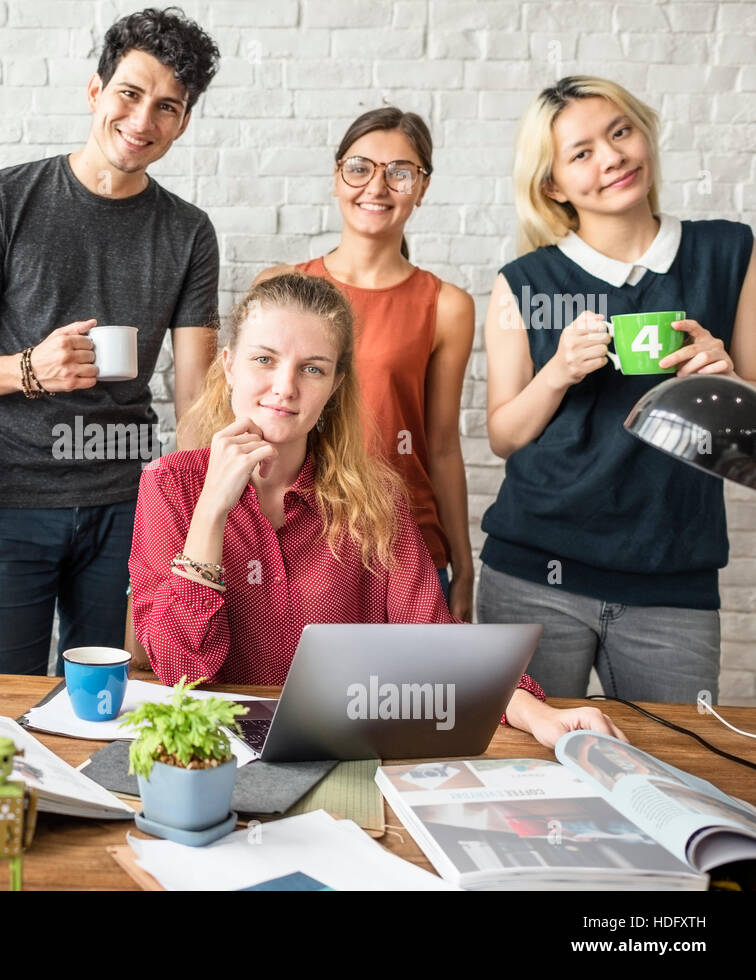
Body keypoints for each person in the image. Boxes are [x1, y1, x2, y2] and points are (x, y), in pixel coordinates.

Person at [131, 273, 624, 748]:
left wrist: (536, 713)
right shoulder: (170, 485)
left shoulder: (376, 500)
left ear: (333, 386)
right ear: (229, 365)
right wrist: (212, 511)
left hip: (343, 750)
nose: (285, 387)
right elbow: (182, 670)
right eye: (265, 359)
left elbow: (432, 642)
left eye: (312, 368)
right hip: (217, 755)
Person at [0, 7, 222, 675]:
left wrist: (197, 513)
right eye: (130, 93)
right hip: (10, 500)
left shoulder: (189, 233)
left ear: (183, 124)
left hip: (129, 509)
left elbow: (195, 399)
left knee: (115, 706)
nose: (142, 120)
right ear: (96, 92)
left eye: (167, 107)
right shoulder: (5, 199)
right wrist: (30, 369)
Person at [478, 76, 756, 702]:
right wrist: (558, 372)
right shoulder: (525, 281)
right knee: (527, 777)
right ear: (553, 185)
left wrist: (728, 374)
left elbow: (751, 433)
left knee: (675, 773)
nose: (612, 157)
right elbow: (504, 436)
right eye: (581, 152)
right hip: (533, 574)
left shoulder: (729, 251)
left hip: (673, 577)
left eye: (621, 132)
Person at [252, 107, 475, 620]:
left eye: (400, 172)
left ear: (421, 188)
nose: (377, 186)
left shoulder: (447, 306)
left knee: (409, 699)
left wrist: (463, 567)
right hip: (299, 534)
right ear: (336, 177)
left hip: (406, 545)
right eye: (360, 167)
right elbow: (249, 415)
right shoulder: (279, 285)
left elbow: (440, 446)